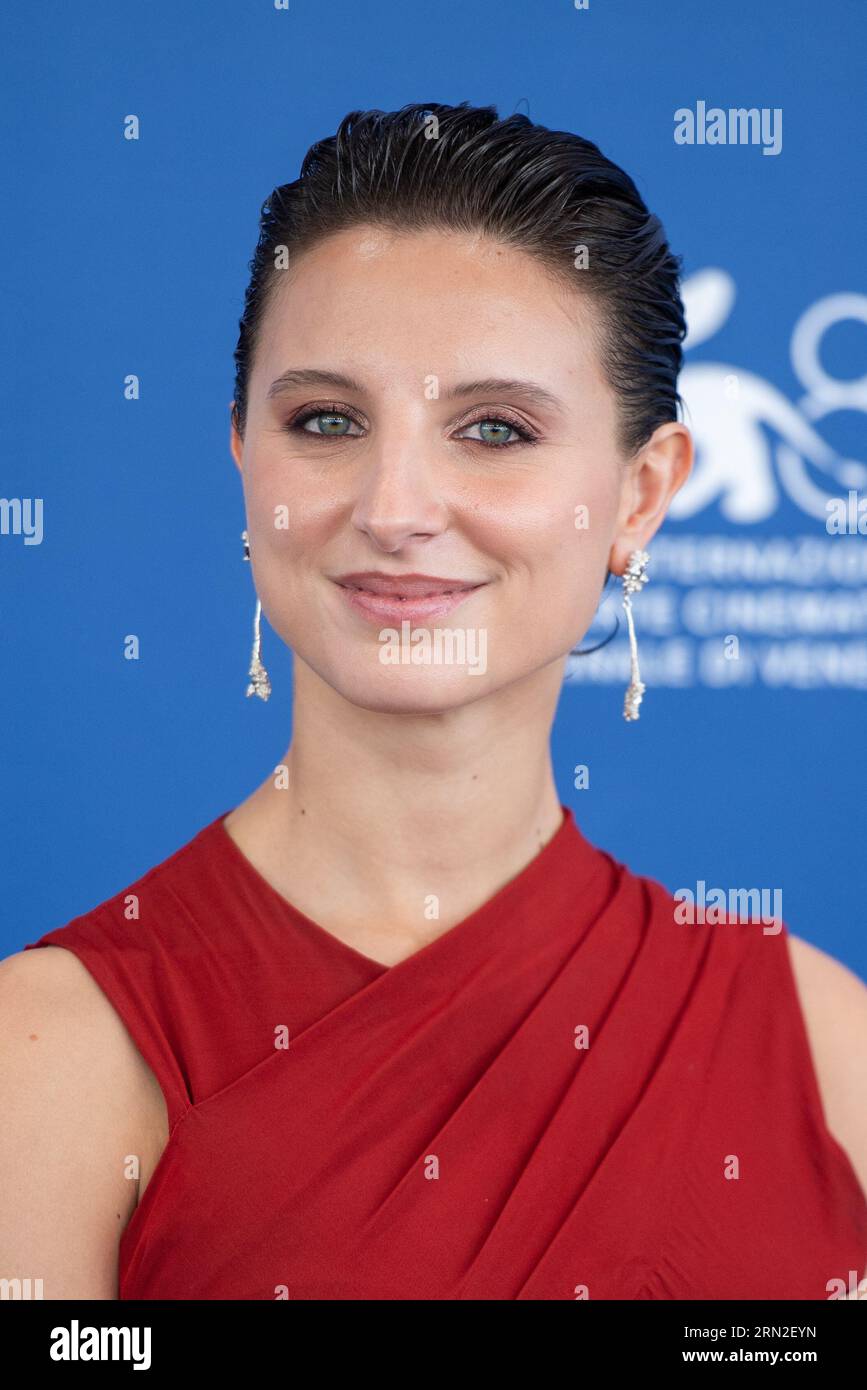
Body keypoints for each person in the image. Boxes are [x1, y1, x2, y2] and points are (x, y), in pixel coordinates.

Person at [2, 102, 865, 1301]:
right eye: (327, 420)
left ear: (640, 496)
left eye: (495, 429)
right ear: (246, 461)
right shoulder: (45, 1051)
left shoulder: (825, 1046)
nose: (396, 503)